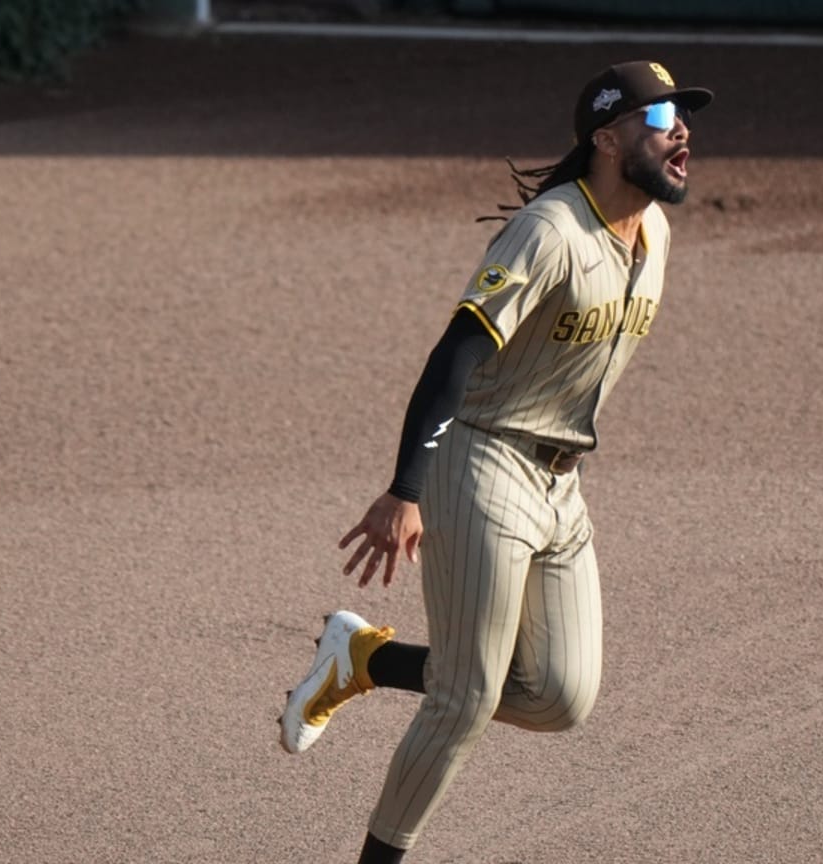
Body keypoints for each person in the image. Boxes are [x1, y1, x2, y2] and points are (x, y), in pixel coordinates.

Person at [278, 61, 715, 863]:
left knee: (558, 696)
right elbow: (455, 356)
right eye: (660, 120)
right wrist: (407, 489)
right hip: (481, 460)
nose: (681, 130)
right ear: (608, 139)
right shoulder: (549, 232)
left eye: (684, 117)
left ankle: (362, 658)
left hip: (562, 483)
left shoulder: (654, 236)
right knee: (465, 700)